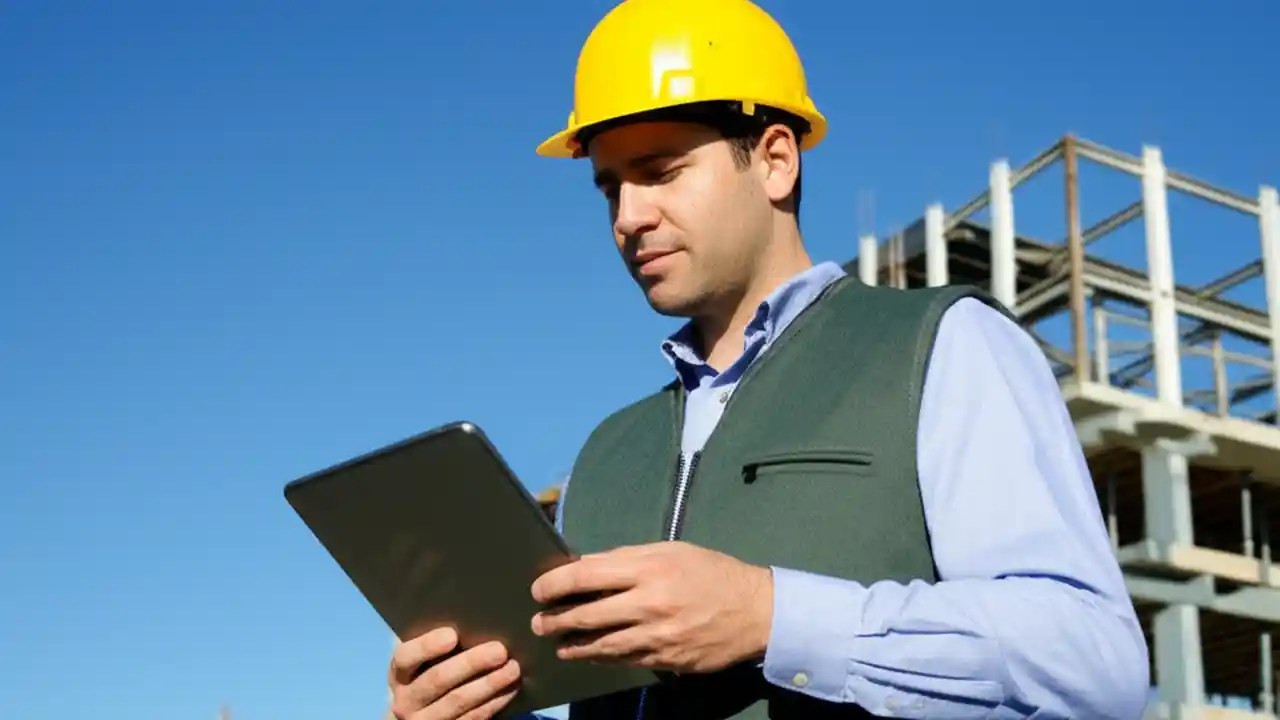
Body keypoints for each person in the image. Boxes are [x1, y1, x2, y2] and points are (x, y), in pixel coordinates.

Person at [388, 0, 1151, 718]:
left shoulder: (942, 346)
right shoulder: (604, 459)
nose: (628, 216)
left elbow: (1097, 663)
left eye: (660, 172)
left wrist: (771, 615)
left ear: (777, 159)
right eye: (609, 189)